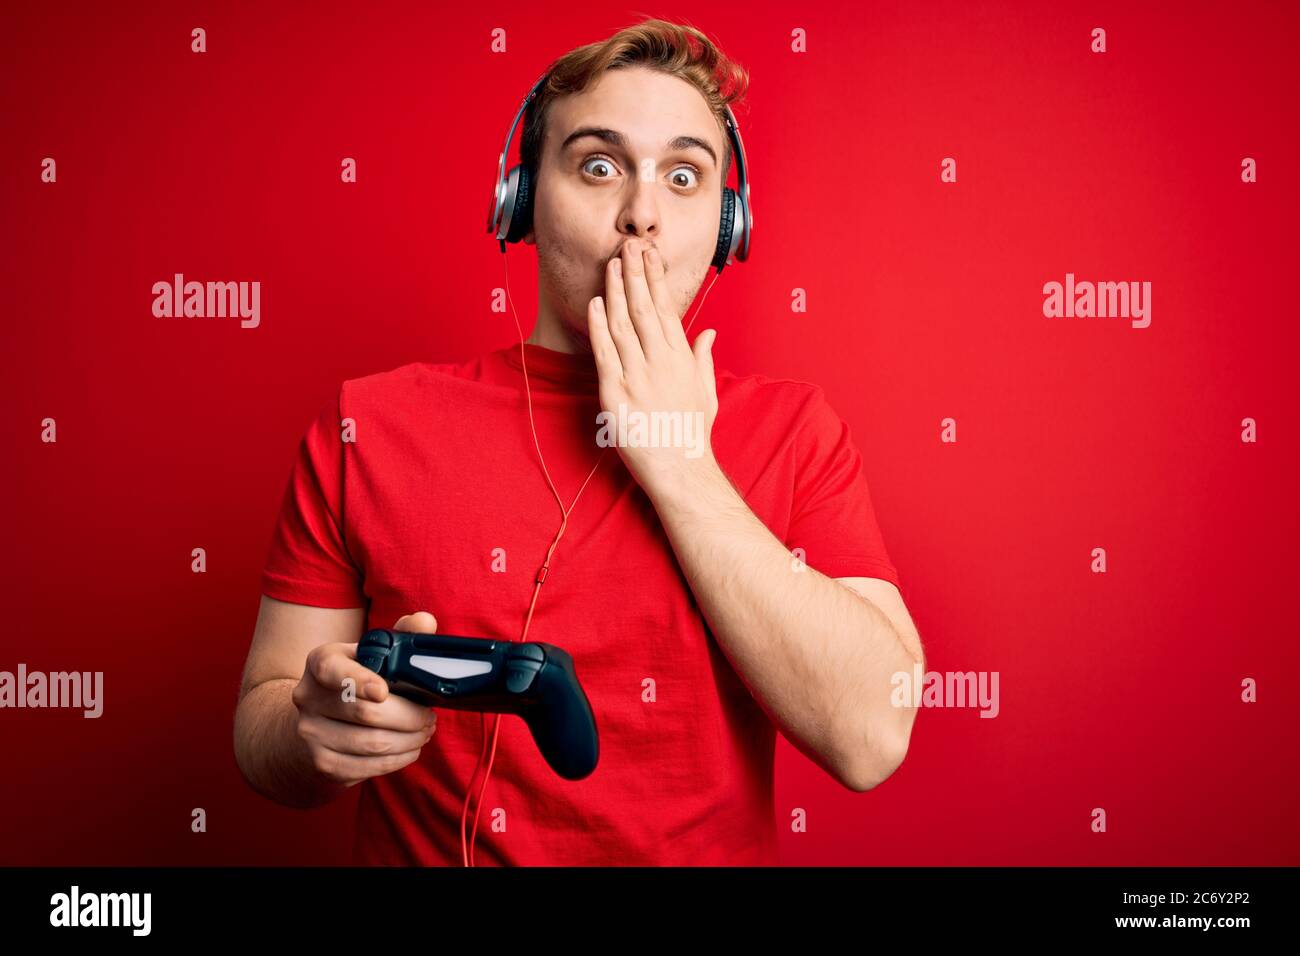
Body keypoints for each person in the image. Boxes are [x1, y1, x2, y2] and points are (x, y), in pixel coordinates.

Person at [233, 17, 925, 866]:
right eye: (598, 166)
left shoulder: (798, 433)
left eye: (682, 176)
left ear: (726, 225)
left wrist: (678, 459)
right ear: (519, 203)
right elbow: (262, 730)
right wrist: (313, 732)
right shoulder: (367, 424)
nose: (640, 215)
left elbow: (871, 736)